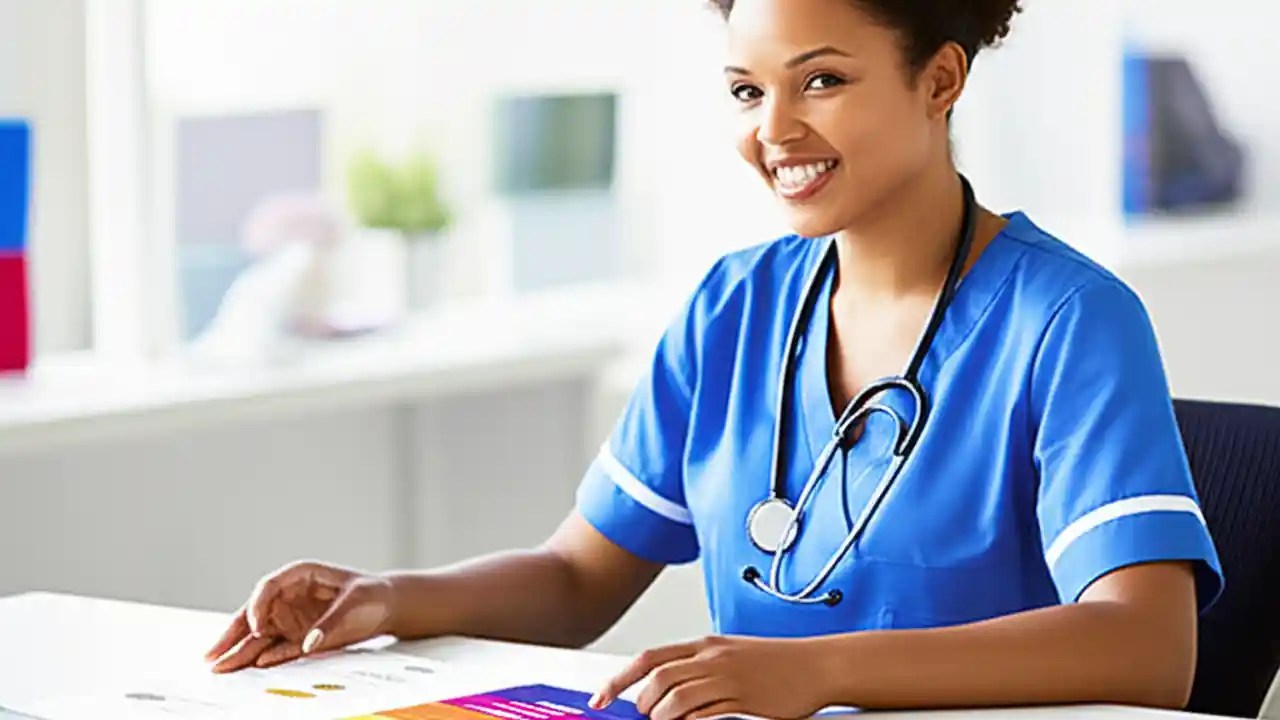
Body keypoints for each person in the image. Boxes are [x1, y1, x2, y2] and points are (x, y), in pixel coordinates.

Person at [205, 0, 1225, 717]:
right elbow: (573, 581)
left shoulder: (1068, 320)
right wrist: (387, 600)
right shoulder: (731, 306)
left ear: (939, 78)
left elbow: (1146, 650)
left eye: (820, 80)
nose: (772, 131)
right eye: (745, 92)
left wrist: (816, 673)